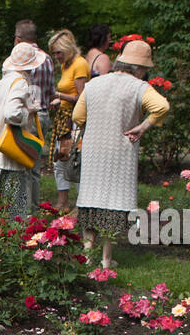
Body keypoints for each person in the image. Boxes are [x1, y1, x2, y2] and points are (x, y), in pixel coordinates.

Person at [72, 37, 170, 269]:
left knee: (91, 200)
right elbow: (162, 107)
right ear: (140, 68)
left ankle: (87, 256)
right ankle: (106, 260)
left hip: (94, 151)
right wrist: (143, 126)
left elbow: (77, 116)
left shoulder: (94, 85)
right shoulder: (138, 87)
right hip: (120, 153)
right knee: (114, 204)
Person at [0, 43, 42, 219]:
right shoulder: (20, 83)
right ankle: (13, 242)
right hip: (12, 155)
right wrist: (29, 112)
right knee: (13, 213)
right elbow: (11, 113)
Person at [13, 20, 55, 217]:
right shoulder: (47, 59)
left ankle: (22, 212)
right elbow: (52, 92)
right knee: (36, 166)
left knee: (22, 166)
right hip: (44, 115)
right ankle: (35, 211)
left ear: (18, 39)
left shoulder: (19, 59)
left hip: (26, 117)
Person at [47, 29, 89, 214]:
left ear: (68, 49)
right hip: (63, 119)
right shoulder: (66, 65)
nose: (56, 56)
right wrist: (59, 101)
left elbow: (82, 97)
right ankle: (62, 201)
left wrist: (58, 95)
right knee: (60, 161)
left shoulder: (79, 64)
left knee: (74, 161)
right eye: (54, 52)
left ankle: (80, 206)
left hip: (74, 122)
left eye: (59, 52)